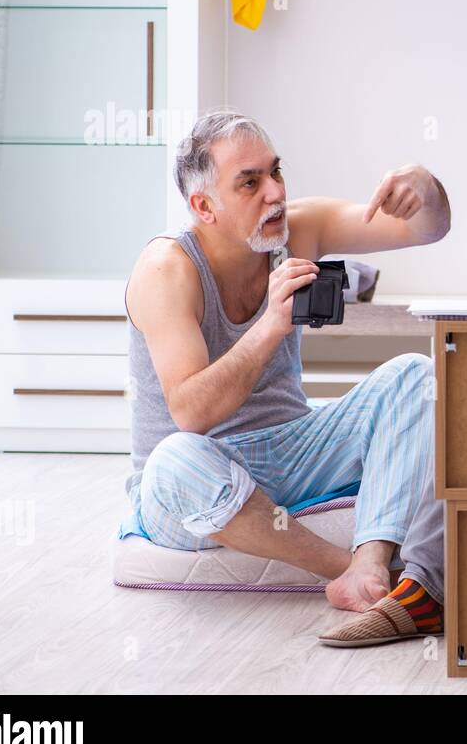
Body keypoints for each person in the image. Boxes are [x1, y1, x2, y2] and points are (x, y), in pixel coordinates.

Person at [123, 110, 448, 639]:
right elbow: (191, 412)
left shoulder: (298, 228)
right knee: (174, 460)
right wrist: (272, 323)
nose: (274, 193)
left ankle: (371, 561)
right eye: (249, 183)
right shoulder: (167, 269)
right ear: (203, 205)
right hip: (199, 472)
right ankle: (345, 568)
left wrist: (424, 187)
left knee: (416, 374)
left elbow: (426, 228)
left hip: (290, 450)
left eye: (276, 173)